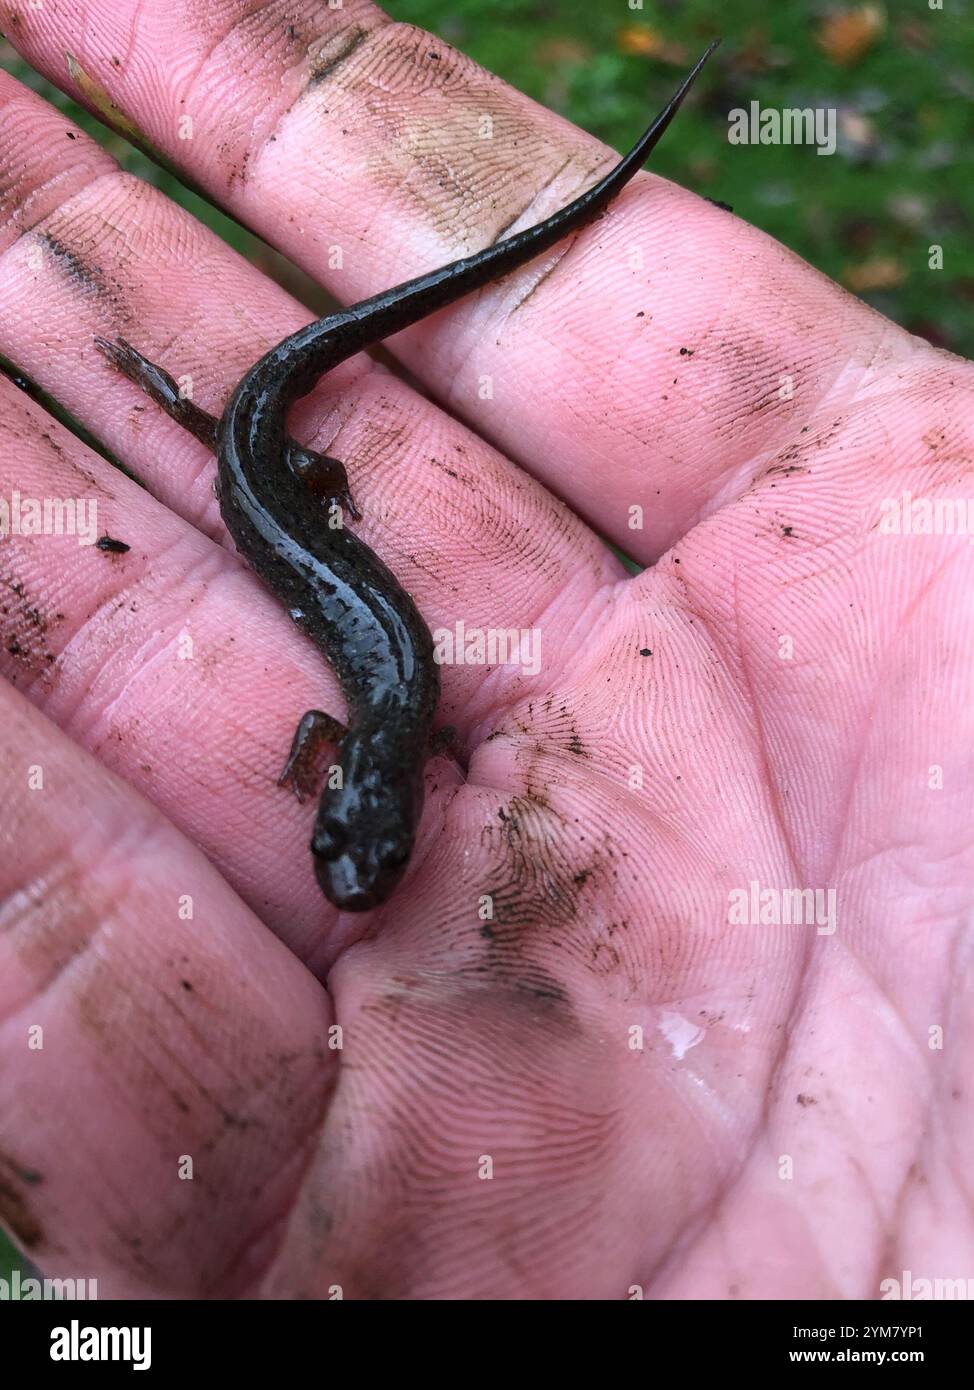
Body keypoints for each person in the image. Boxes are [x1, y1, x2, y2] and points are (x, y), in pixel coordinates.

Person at [0, 9, 971, 1299]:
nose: (361, 860)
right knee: (295, 442)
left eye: (352, 837)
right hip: (271, 476)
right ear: (382, 794)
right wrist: (318, 525)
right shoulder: (398, 735)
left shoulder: (400, 738)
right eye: (368, 842)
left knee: (297, 423)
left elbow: (324, 734)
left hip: (272, 478)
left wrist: (317, 533)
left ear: (371, 790)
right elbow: (330, 735)